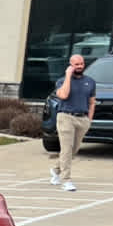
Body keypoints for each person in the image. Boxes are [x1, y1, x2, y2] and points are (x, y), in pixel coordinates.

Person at [49, 54, 97, 191]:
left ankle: (56, 170)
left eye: (81, 63)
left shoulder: (90, 82)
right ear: (70, 65)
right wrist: (68, 76)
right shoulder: (61, 81)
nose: (80, 66)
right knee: (66, 148)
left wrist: (89, 119)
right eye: (76, 64)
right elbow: (63, 95)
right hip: (65, 117)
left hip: (82, 119)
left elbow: (92, 102)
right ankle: (66, 180)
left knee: (74, 150)